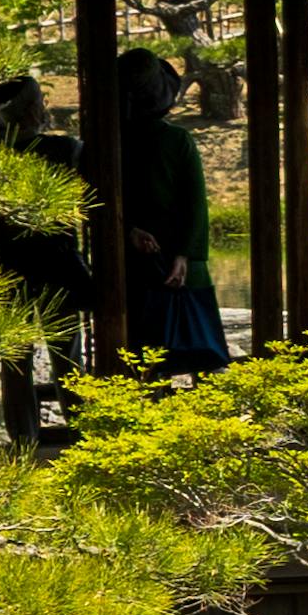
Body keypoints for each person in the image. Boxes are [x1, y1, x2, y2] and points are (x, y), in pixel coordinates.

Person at [92, 46, 227, 371]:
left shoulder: (104, 144)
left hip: (128, 261)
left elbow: (92, 201)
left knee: (142, 357)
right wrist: (184, 254)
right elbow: (195, 204)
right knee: (202, 353)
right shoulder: (177, 140)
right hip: (178, 262)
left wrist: (127, 230)